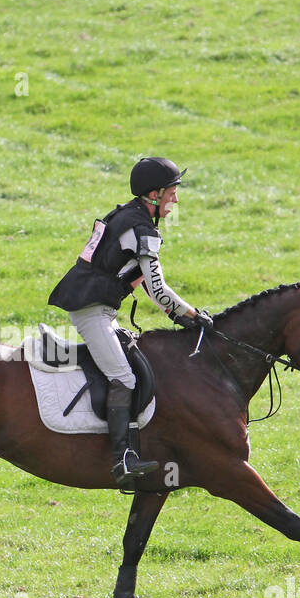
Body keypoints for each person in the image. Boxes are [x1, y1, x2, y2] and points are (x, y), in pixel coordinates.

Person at [48, 157, 214, 487]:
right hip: (91, 310)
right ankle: (122, 457)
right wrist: (191, 316)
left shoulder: (127, 216)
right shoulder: (140, 228)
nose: (176, 200)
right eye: (171, 193)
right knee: (123, 376)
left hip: (97, 307)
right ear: (153, 195)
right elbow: (157, 289)